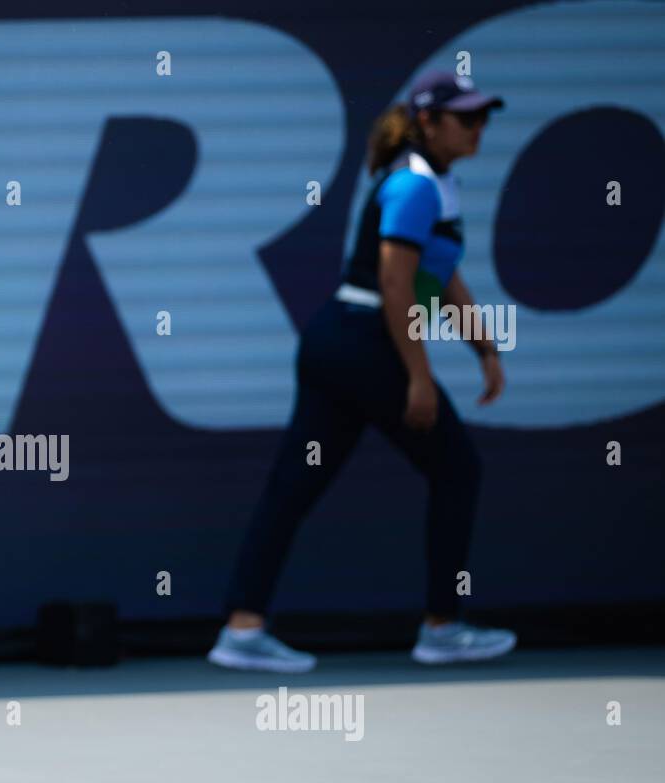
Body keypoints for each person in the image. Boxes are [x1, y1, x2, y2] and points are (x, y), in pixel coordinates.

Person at [208, 69, 517, 673]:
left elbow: (442, 277)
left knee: (292, 488)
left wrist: (484, 347)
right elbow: (398, 285)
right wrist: (419, 376)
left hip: (338, 344)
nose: (479, 129)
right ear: (429, 122)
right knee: (458, 470)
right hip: (364, 344)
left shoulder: (433, 185)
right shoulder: (414, 189)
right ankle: (443, 627)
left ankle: (242, 630)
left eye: (484, 118)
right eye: (467, 119)